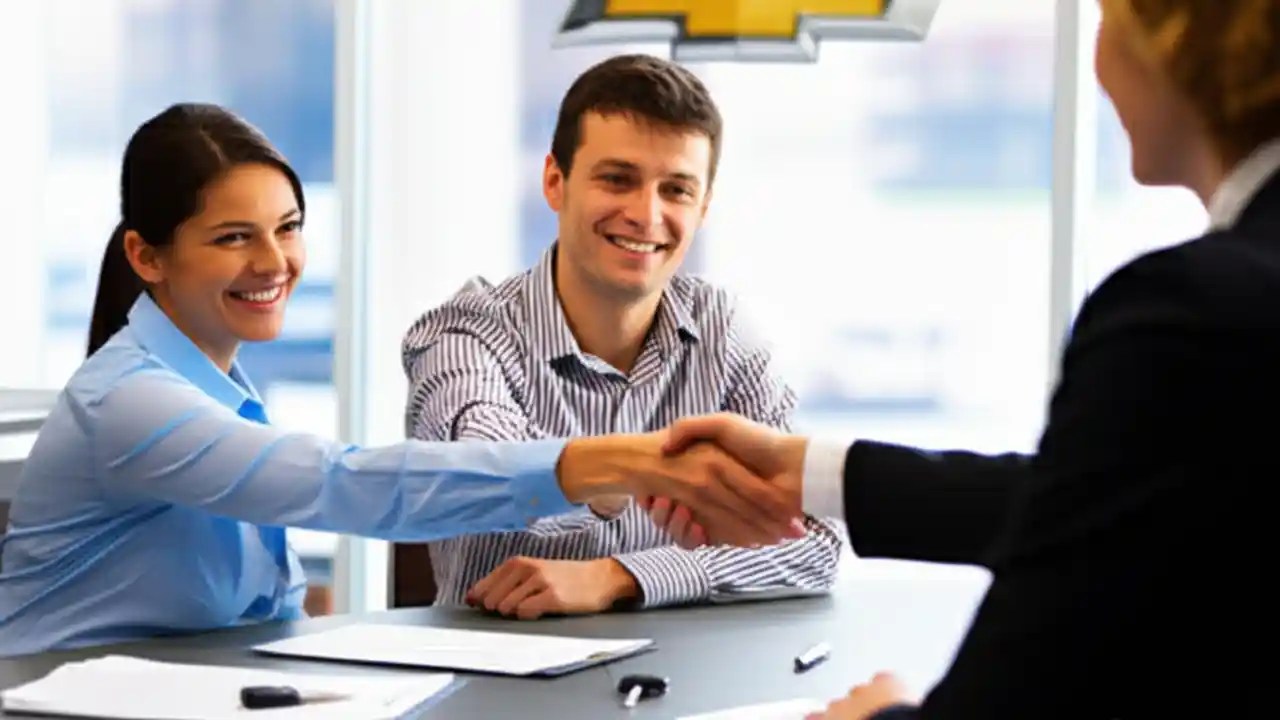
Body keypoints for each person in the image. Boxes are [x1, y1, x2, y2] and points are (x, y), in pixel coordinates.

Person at [0, 103, 803, 657]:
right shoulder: (130, 403)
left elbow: (267, 607)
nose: (275, 263)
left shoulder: (220, 386)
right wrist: (619, 461)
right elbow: (340, 484)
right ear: (147, 257)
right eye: (233, 238)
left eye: (287, 229)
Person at [659, 0, 1277, 717]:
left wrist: (880, 715)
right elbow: (1108, 499)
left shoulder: (1190, 312)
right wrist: (815, 476)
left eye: (1108, 20)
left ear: (1172, 45)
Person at [401, 54, 845, 618]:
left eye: (677, 190)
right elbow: (488, 465)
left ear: (703, 207)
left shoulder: (724, 333)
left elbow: (815, 545)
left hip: (683, 683)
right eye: (618, 179)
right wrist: (639, 469)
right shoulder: (464, 331)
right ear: (555, 182)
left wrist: (622, 576)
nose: (646, 214)